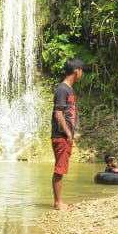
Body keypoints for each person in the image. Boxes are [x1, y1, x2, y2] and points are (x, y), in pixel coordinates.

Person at [51, 57, 84, 210]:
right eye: (81, 70)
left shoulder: (68, 89)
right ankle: (58, 203)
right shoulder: (62, 89)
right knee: (60, 169)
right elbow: (58, 113)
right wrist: (68, 134)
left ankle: (59, 201)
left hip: (64, 136)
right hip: (61, 136)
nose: (82, 74)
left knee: (61, 168)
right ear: (76, 70)